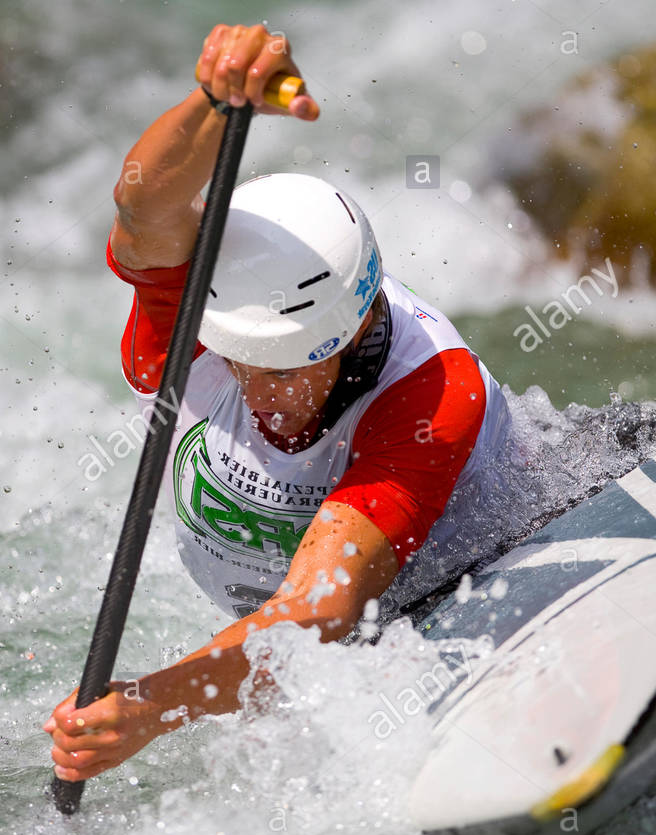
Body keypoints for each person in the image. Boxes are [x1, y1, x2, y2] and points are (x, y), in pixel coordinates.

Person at [45, 23, 511, 784]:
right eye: (245, 361)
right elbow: (142, 205)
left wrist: (150, 707)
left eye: (292, 367)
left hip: (456, 583)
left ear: (356, 331)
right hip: (282, 627)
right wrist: (212, 101)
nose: (264, 395)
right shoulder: (191, 317)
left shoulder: (431, 391)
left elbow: (321, 613)